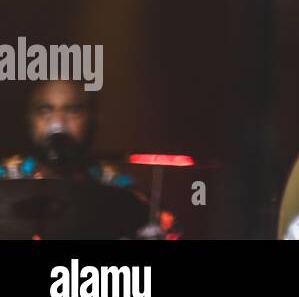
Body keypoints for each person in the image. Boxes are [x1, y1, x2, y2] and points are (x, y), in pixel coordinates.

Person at [1, 79, 179, 238]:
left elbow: (166, 228)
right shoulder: (6, 175)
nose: (57, 123)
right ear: (29, 119)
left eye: (73, 111)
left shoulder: (121, 187)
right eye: (45, 110)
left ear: (92, 120)